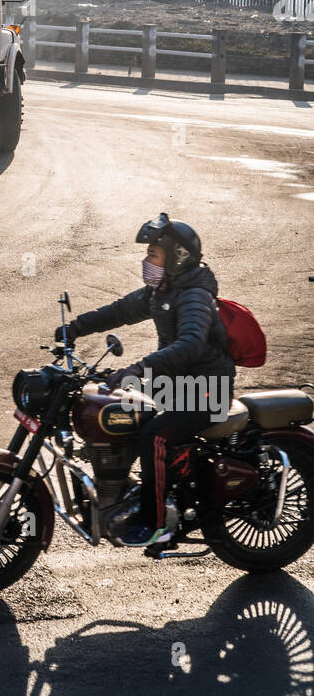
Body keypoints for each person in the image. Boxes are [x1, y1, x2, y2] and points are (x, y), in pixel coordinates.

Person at [56, 212, 236, 547]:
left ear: (176, 257)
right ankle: (128, 493)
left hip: (206, 389)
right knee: (116, 405)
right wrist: (76, 327)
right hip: (176, 383)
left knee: (155, 434)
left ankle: (156, 524)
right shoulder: (162, 291)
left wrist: (138, 368)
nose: (146, 261)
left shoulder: (194, 295)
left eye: (153, 254)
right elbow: (120, 311)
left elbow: (191, 344)